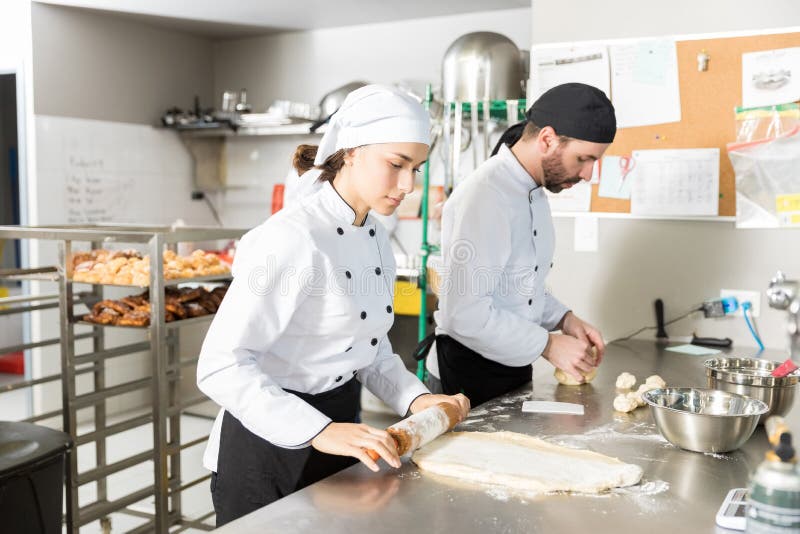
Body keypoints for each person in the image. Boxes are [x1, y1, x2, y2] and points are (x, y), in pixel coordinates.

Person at [197, 85, 470, 526]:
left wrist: (418, 400)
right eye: (396, 165)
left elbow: (370, 348)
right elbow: (221, 367)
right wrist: (319, 431)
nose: (409, 185)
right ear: (352, 152)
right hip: (267, 445)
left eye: (416, 168)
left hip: (344, 431)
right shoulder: (291, 238)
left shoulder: (375, 237)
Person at [422, 82, 616, 407]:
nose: (588, 174)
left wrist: (565, 319)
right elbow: (464, 314)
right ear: (547, 139)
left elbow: (520, 284)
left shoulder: (533, 189)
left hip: (509, 367)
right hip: (465, 374)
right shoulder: (485, 197)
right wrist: (548, 345)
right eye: (583, 159)